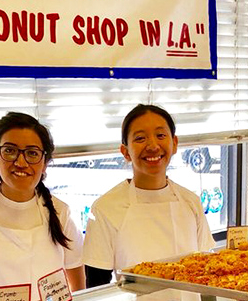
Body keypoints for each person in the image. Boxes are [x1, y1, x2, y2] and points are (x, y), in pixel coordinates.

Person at [0, 112, 85, 297]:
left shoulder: (61, 212)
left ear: (44, 163)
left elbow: (79, 290)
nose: (21, 162)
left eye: (32, 153)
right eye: (10, 150)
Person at [82, 104, 215, 286]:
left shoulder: (191, 202)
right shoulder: (104, 208)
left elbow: (206, 270)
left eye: (160, 135)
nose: (152, 146)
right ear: (125, 151)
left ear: (174, 143)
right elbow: (97, 285)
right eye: (140, 138)